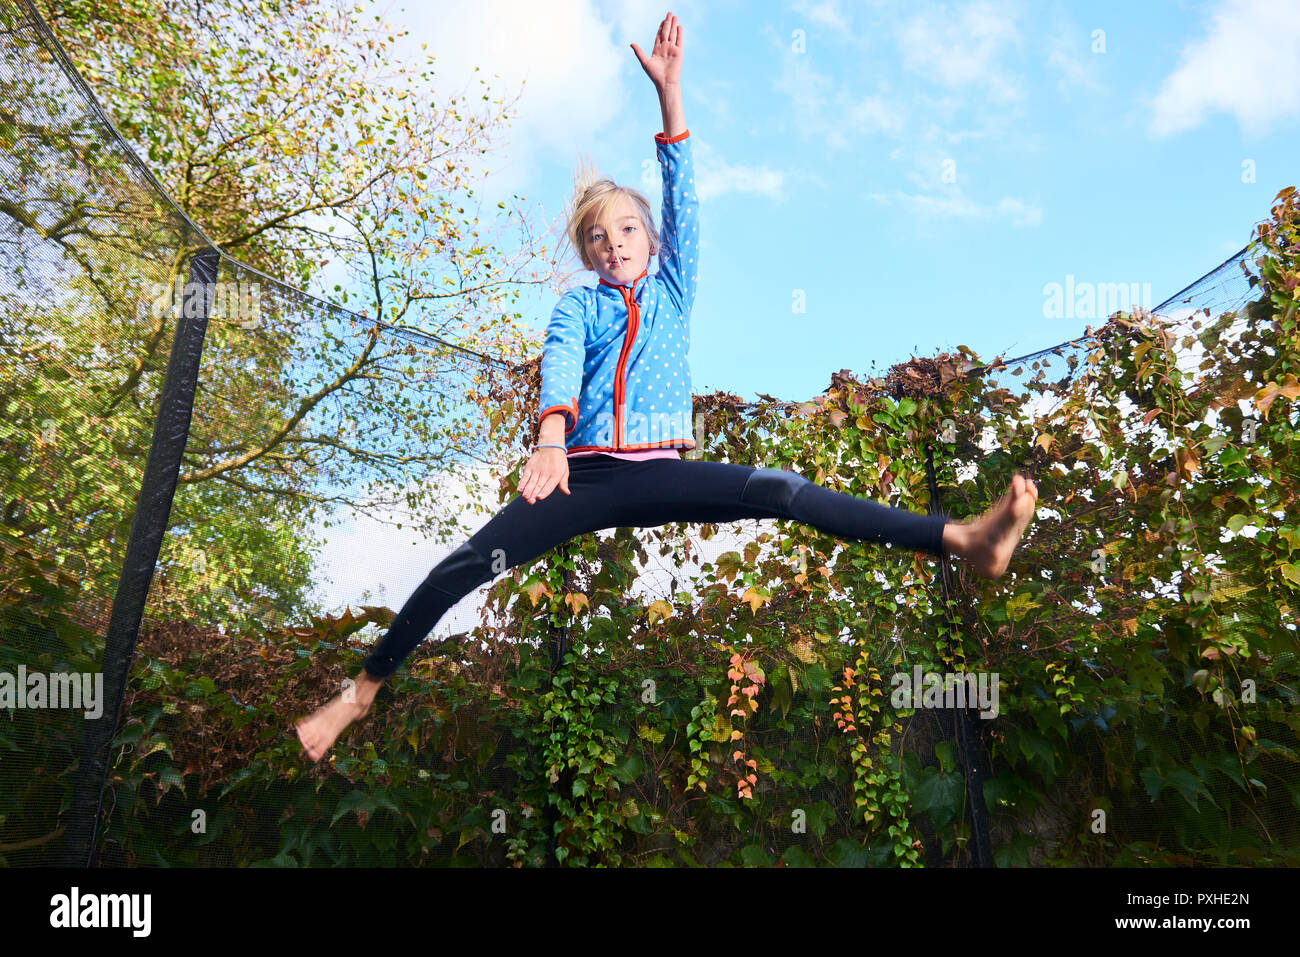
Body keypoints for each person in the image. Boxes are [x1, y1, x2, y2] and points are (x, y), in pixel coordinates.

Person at [295, 11, 1038, 763]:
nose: (613, 244)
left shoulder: (675, 287)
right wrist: (551, 439)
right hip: (577, 479)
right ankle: (359, 694)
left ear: (650, 240)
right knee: (464, 565)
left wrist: (670, 97)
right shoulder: (578, 305)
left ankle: (965, 540)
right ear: (587, 252)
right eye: (597, 236)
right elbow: (558, 361)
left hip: (658, 472)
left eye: (626, 230)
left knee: (782, 490)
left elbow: (683, 192)